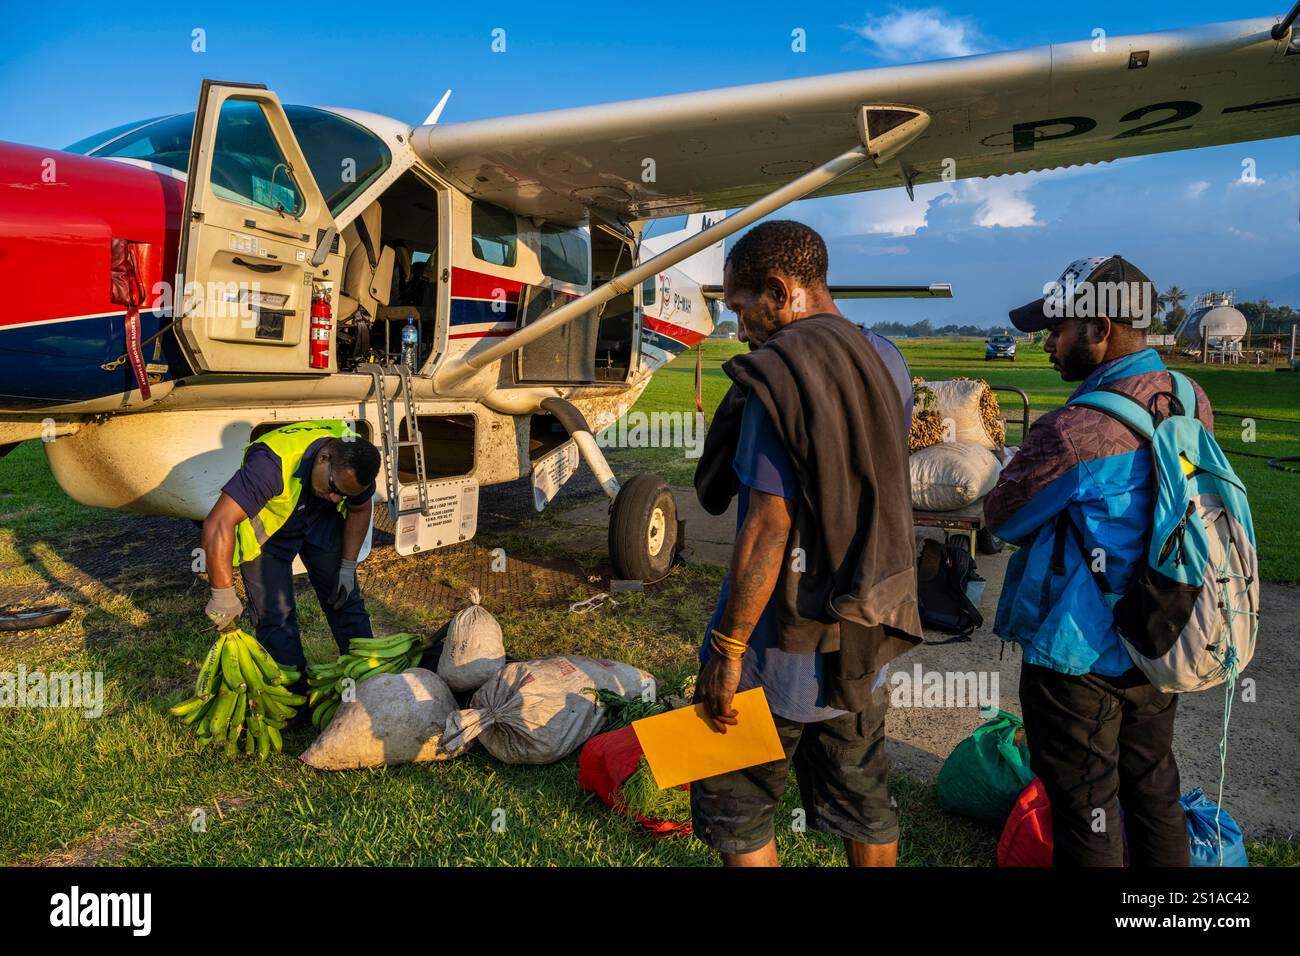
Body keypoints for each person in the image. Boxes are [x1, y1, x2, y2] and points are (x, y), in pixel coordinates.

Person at [692, 221, 922, 867]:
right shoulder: (888, 358)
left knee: (736, 805)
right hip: (863, 625)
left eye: (741, 308)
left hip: (778, 641)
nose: (740, 329)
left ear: (777, 289)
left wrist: (727, 649)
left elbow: (770, 525)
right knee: (864, 798)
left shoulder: (780, 378)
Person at [985, 255, 1213, 867]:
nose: (1047, 346)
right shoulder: (1189, 397)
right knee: (1153, 785)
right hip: (1160, 623)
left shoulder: (1076, 427)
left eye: (1056, 331)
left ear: (1099, 328)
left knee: (1086, 808)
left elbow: (1002, 519)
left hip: (1080, 653)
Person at [202, 420, 382, 709]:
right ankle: (293, 698)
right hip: (271, 531)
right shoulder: (270, 465)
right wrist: (222, 595)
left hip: (318, 518)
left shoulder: (355, 462)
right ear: (323, 459)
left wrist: (347, 568)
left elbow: (359, 508)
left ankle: (368, 680)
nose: (338, 498)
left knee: (345, 597)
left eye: (343, 495)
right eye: (335, 487)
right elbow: (218, 522)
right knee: (276, 615)